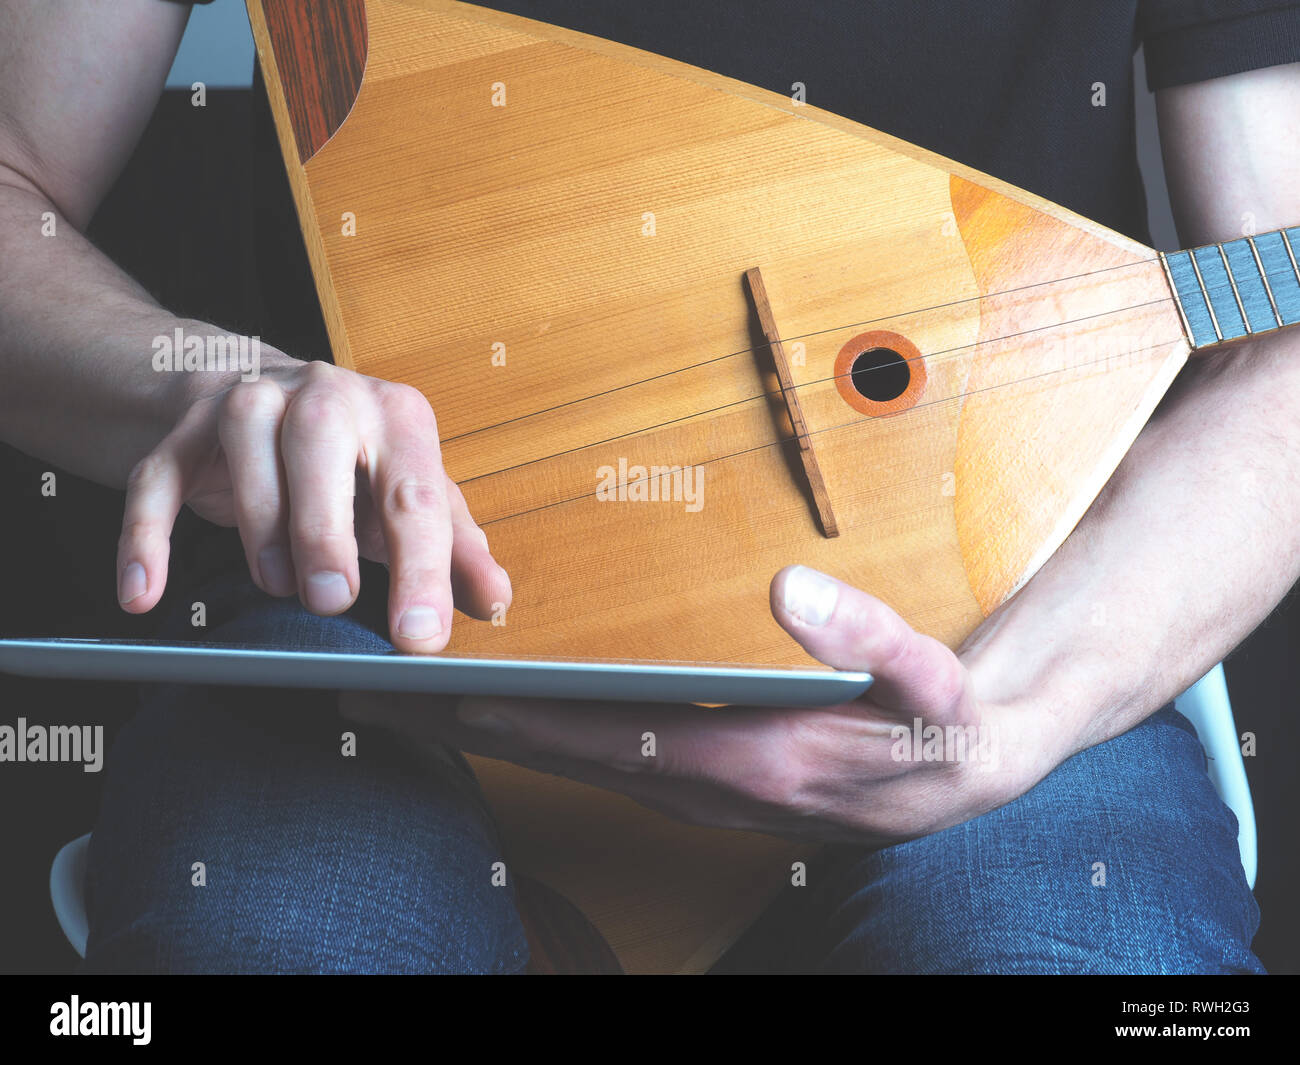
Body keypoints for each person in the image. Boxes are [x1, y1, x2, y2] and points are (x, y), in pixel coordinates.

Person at [1, 0, 1295, 973]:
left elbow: (1280, 341)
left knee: (1080, 948)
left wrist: (1016, 718)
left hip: (1002, 630)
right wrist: (207, 389)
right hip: (376, 629)